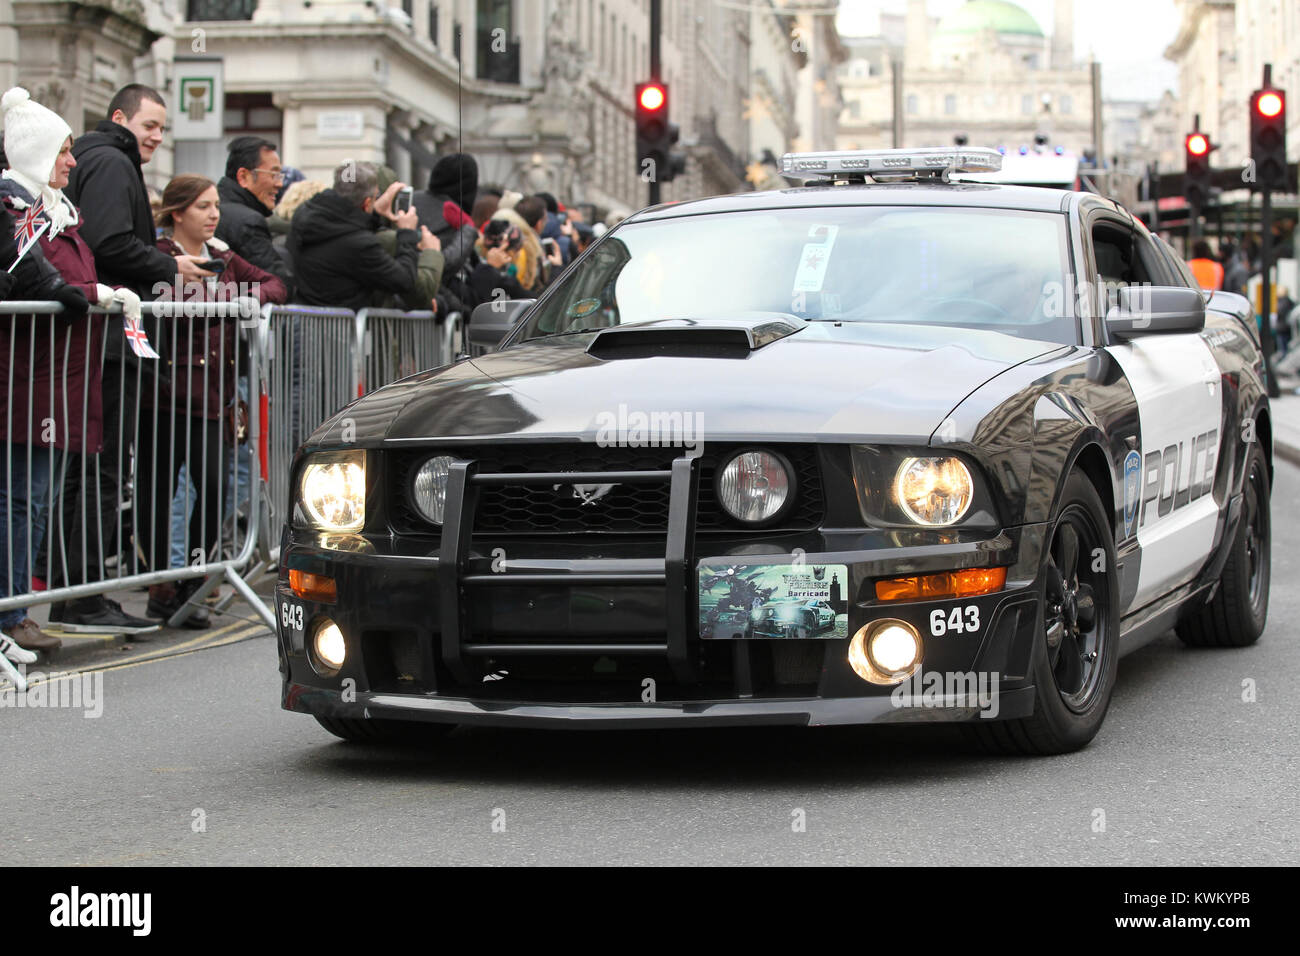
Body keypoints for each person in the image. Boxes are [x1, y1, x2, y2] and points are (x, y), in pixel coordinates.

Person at [0, 87, 157, 642]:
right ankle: (12, 615)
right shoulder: (16, 207)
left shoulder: (53, 206)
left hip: (56, 378)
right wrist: (90, 292)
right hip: (26, 378)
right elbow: (35, 276)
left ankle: (19, 612)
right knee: (20, 499)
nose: (72, 161)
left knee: (35, 499)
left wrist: (90, 292)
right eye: (63, 150)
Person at [62, 84, 214, 609]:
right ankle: (81, 597)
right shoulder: (109, 162)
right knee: (101, 467)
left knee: (91, 467)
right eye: (149, 125)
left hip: (98, 339)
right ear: (120, 117)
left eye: (163, 129)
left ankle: (76, 593)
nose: (156, 136)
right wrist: (169, 264)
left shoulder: (99, 157)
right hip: (106, 341)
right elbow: (110, 243)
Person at [144, 174, 288, 627]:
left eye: (215, 207)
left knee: (213, 488)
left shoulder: (223, 256)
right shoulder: (159, 257)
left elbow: (277, 286)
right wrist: (223, 302)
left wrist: (232, 297)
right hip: (165, 396)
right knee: (157, 495)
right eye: (203, 207)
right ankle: (160, 585)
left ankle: (197, 578)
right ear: (178, 213)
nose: (213, 215)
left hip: (213, 399)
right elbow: (174, 307)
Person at [287, 160, 422, 311]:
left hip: (303, 320)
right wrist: (407, 234)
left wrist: (375, 213)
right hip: (338, 328)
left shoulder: (305, 215)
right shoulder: (360, 243)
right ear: (366, 202)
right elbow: (403, 281)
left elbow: (344, 225)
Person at [214, 135, 292, 292]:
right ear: (244, 176)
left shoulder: (219, 208)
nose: (279, 184)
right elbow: (277, 283)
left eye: (280, 175)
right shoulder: (248, 222)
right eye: (273, 174)